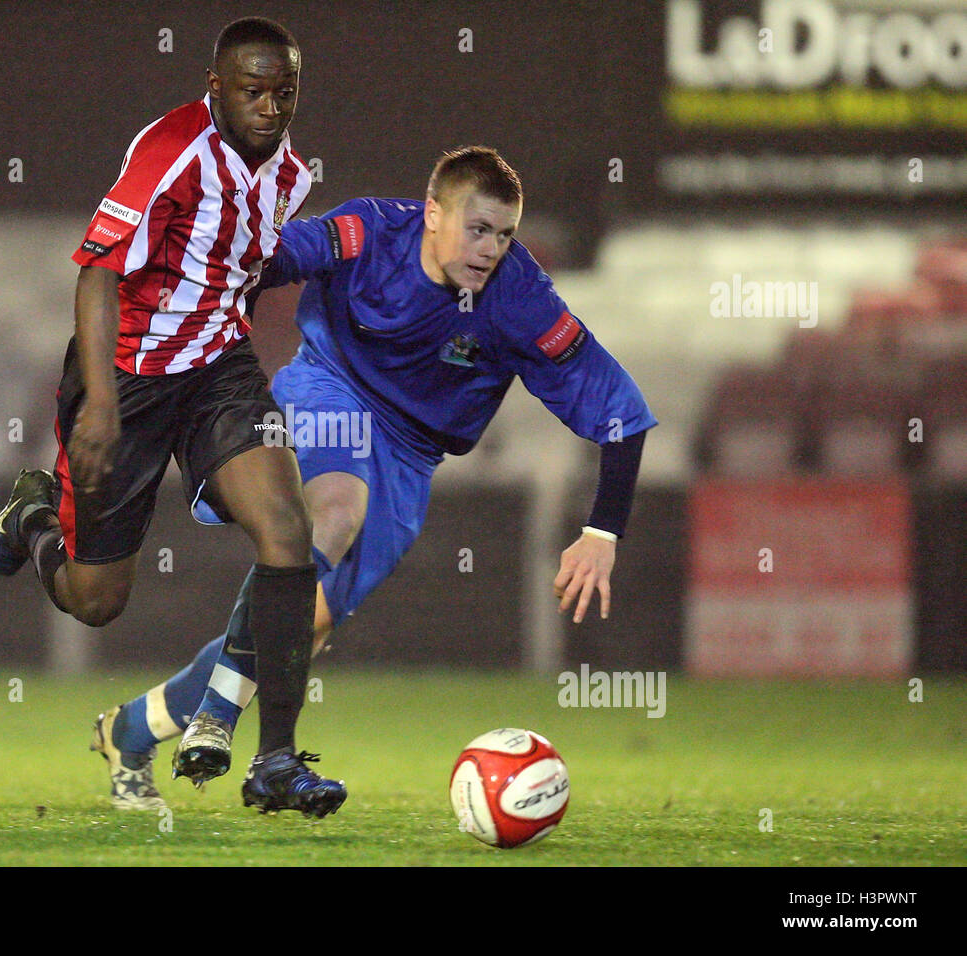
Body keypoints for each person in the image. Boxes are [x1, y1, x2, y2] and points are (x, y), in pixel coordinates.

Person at [105, 146, 657, 806]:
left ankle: (131, 730)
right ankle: (224, 724)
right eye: (478, 229)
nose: (490, 249)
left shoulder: (521, 298)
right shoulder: (369, 230)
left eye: (505, 235)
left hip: (410, 455)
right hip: (329, 388)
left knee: (304, 623)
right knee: (335, 513)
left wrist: (602, 531)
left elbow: (620, 411)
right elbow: (274, 257)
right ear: (433, 215)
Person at [0, 17, 346, 819]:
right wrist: (101, 404)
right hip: (128, 378)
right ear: (215, 87)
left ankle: (277, 760)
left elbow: (234, 272)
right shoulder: (172, 152)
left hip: (219, 370)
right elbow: (96, 273)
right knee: (95, 599)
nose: (269, 107)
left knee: (288, 533)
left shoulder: (289, 174)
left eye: (284, 92)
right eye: (252, 90)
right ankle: (32, 516)